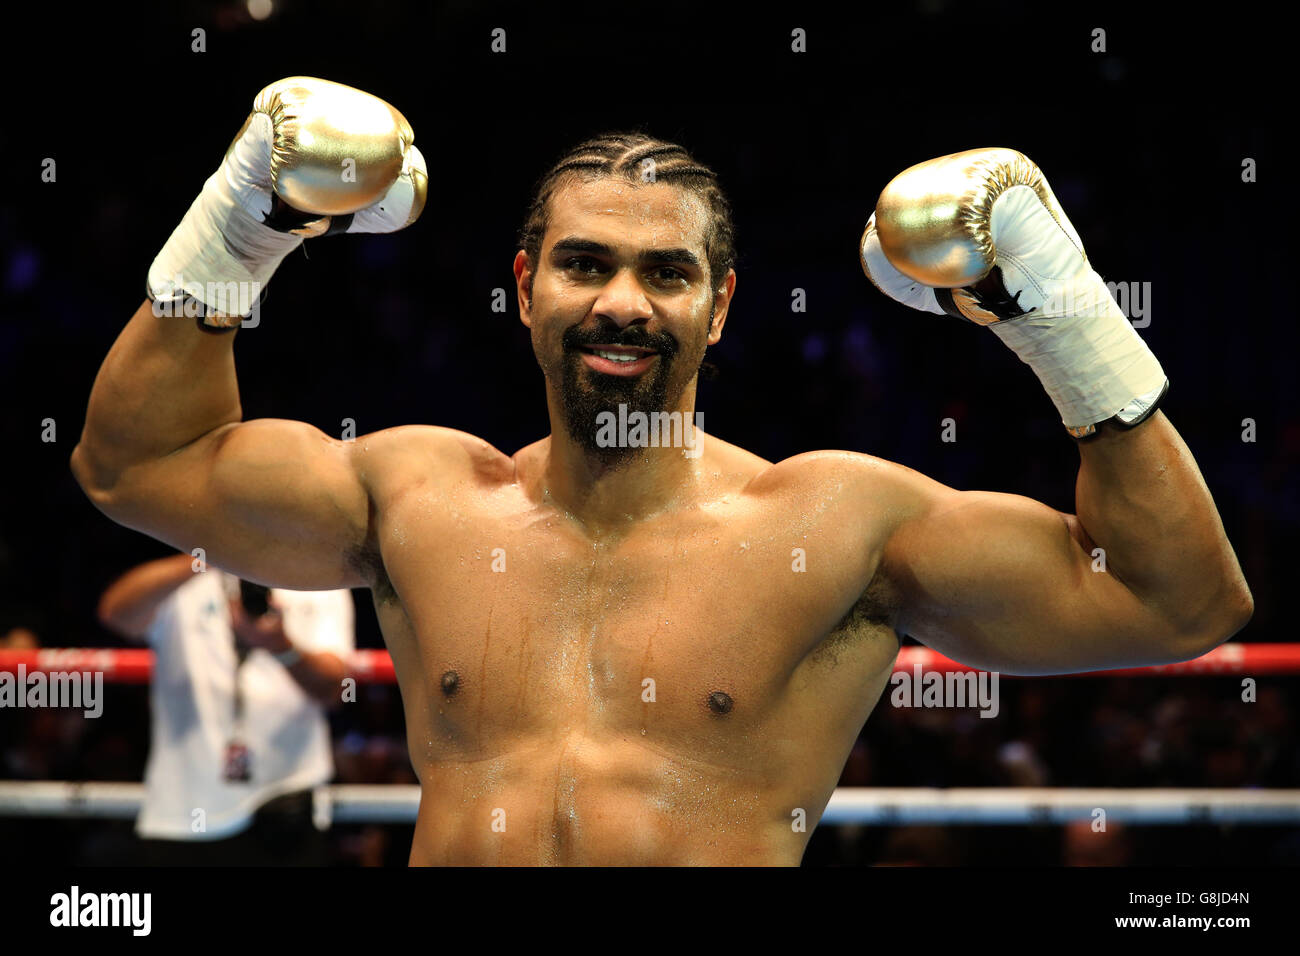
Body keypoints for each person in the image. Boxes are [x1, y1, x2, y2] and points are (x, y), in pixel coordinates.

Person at [70, 77, 1252, 865]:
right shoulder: (416, 495)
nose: (623, 303)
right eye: (585, 264)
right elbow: (136, 464)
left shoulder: (837, 521)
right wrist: (245, 222)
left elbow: (1175, 600)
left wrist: (1059, 315)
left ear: (720, 304)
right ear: (527, 287)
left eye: (666, 273)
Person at [97, 552, 353, 864]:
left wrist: (281, 647)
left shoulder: (319, 573)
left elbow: (338, 691)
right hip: (187, 810)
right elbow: (115, 612)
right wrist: (213, 554)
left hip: (285, 801)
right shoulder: (187, 577)